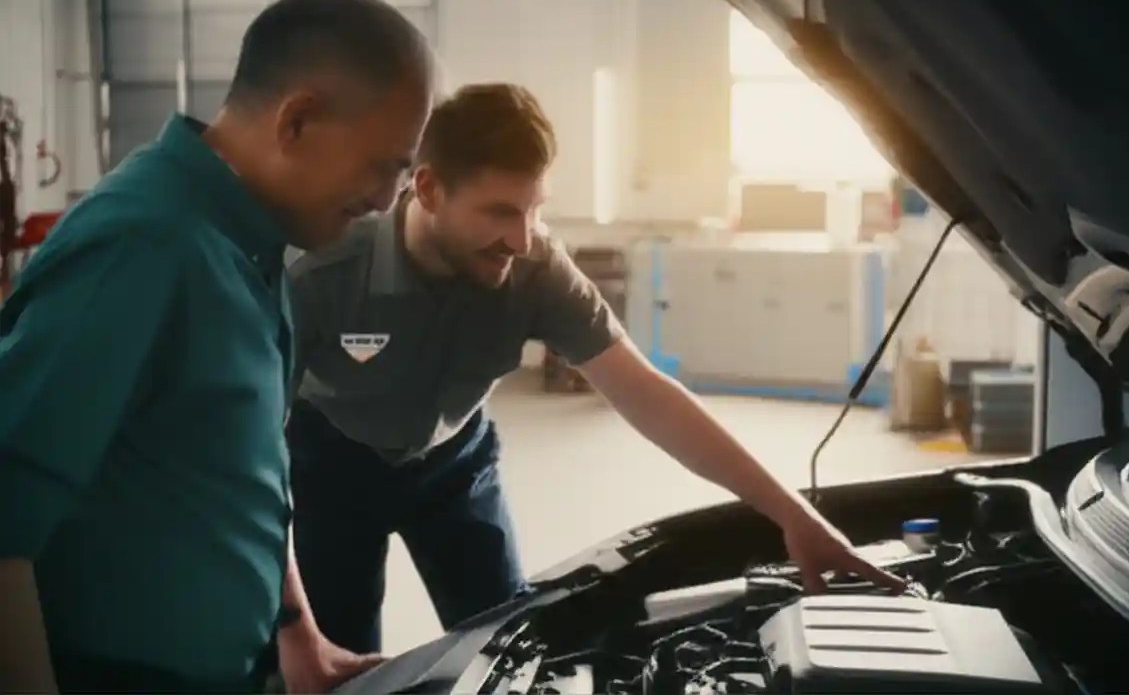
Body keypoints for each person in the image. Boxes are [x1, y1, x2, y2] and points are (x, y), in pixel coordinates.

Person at [285, 83, 906, 655]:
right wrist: (290, 629)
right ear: (427, 190)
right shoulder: (322, 272)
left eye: (534, 210)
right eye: (500, 211)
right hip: (333, 466)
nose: (523, 239)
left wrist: (793, 514)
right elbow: (239, 448)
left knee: (509, 642)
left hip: (454, 465)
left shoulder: (538, 270)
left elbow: (647, 394)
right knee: (338, 659)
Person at [0, 0, 433, 693]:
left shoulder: (253, 247)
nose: (388, 200)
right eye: (385, 166)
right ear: (297, 120)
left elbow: (245, 475)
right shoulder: (143, 244)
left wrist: (300, 636)